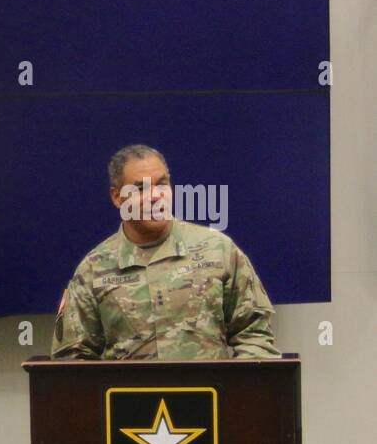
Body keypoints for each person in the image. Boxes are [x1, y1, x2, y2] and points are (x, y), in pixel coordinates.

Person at [51, 144, 278, 359]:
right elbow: (72, 359)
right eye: (141, 188)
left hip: (210, 398)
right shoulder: (94, 269)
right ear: (117, 197)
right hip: (131, 399)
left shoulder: (218, 250)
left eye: (162, 184)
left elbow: (255, 335)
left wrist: (238, 394)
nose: (155, 196)